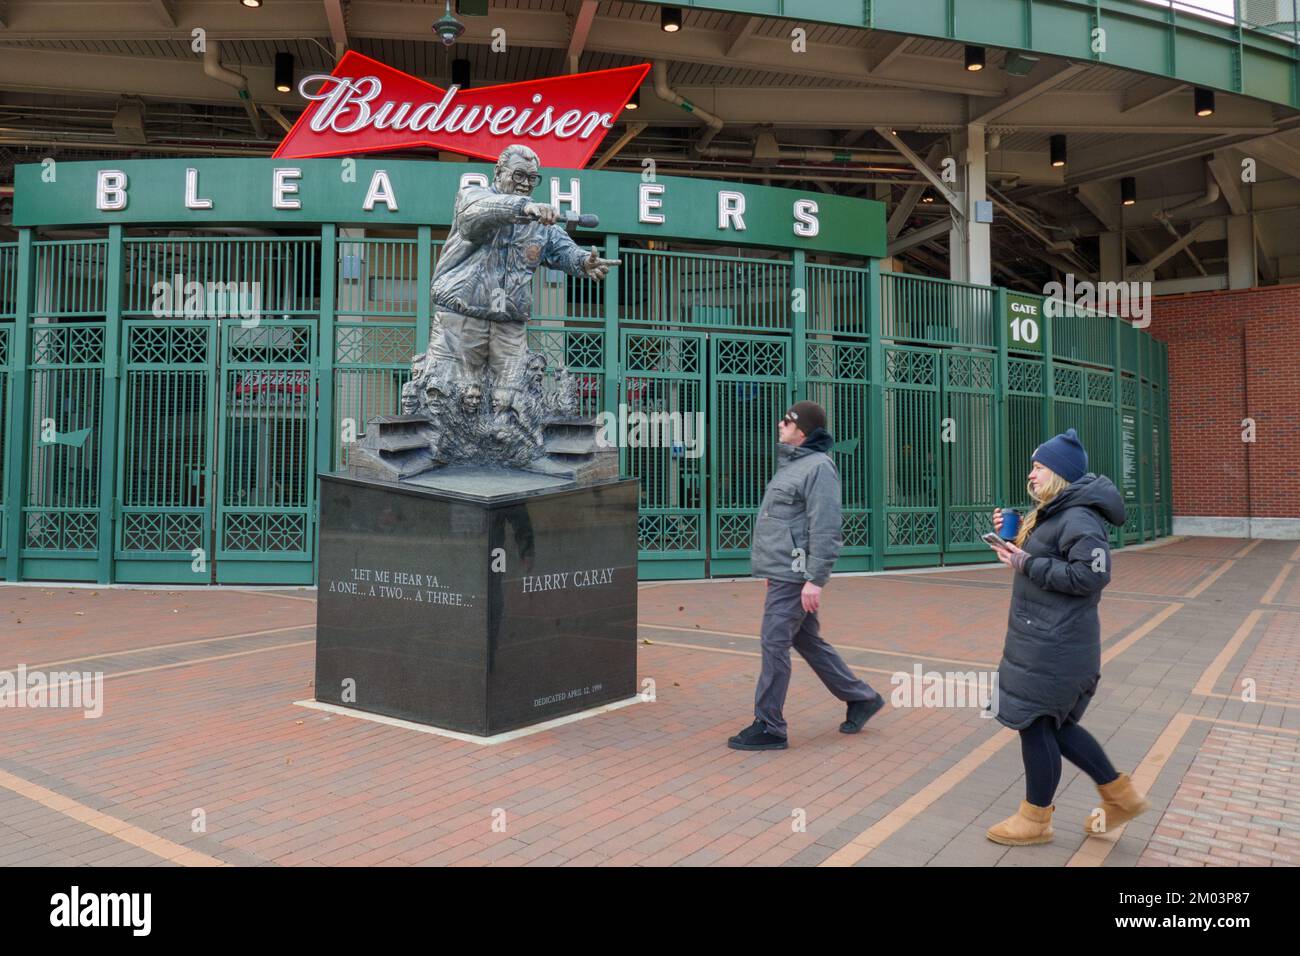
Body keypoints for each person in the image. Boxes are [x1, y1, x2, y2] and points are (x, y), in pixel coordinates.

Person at [983, 428, 1151, 845]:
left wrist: (1025, 561)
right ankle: (1119, 797)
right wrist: (1015, 536)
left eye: (1039, 467)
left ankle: (1035, 820)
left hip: (1056, 645)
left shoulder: (1078, 517)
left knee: (1038, 726)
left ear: (1059, 473)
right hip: (1044, 640)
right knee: (1052, 728)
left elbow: (1092, 575)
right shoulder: (1056, 512)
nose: (1032, 474)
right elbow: (1047, 554)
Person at [728, 400, 885, 751]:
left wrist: (815, 579)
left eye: (787, 420)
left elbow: (825, 527)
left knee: (774, 643)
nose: (780, 424)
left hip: (798, 576)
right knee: (806, 640)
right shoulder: (792, 465)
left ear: (802, 431)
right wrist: (774, 569)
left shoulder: (819, 468)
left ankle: (770, 726)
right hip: (785, 572)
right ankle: (861, 697)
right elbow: (784, 523)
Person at [424, 143, 620, 411]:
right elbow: (475, 215)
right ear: (499, 172)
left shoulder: (541, 224)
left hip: (509, 323)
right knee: (447, 394)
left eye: (531, 178)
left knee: (513, 399)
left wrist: (583, 261)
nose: (526, 183)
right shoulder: (472, 196)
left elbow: (564, 249)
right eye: (518, 175)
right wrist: (524, 208)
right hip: (461, 318)